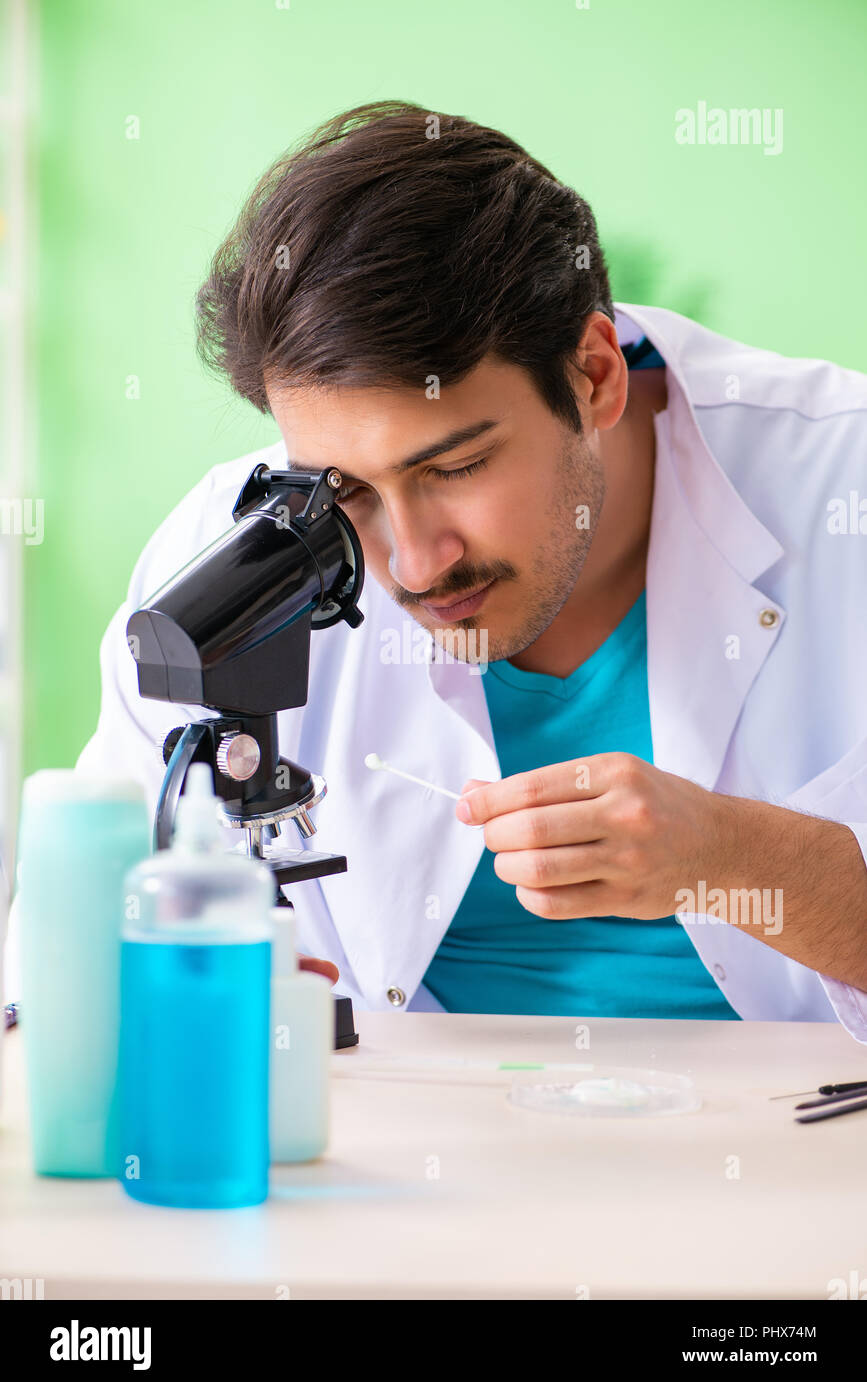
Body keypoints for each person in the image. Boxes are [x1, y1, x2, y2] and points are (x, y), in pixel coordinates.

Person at [13, 100, 867, 1036]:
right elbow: (69, 969)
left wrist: (741, 859)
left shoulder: (841, 488)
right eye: (345, 488)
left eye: (455, 467)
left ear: (592, 375)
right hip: (398, 1153)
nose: (414, 564)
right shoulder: (228, 560)